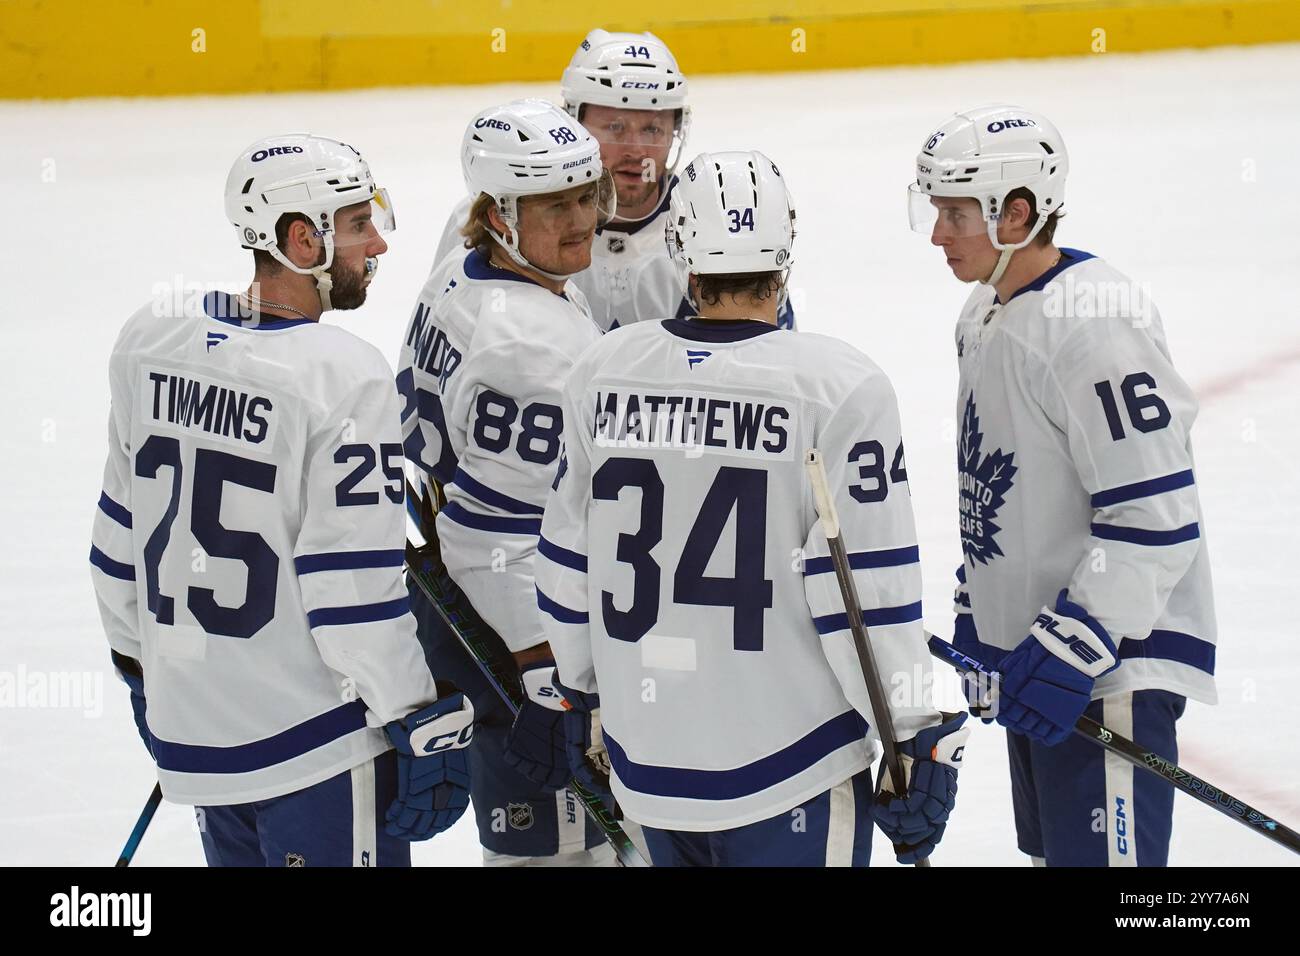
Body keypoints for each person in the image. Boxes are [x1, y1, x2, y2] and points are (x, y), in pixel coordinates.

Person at [535, 150, 967, 866]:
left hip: (648, 766)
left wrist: (581, 699)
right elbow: (864, 597)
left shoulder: (602, 369)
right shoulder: (839, 386)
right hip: (793, 768)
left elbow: (565, 570)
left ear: (681, 247)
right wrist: (914, 736)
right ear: (786, 248)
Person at [89, 134, 473, 867]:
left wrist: (148, 680)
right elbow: (350, 593)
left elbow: (115, 546)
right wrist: (416, 714)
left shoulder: (151, 339)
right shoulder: (343, 377)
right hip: (317, 751)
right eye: (359, 224)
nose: (380, 244)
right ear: (304, 240)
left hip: (200, 741)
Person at [910, 105, 1218, 866]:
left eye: (953, 212)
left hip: (1109, 667)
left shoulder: (1095, 324)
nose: (936, 233)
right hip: (1043, 659)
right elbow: (1005, 485)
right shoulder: (984, 312)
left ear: (1015, 213)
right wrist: (983, 609)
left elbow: (1155, 513)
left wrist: (1074, 644)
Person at [397, 99, 618, 866]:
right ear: (498, 214)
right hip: (511, 624)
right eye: (555, 204)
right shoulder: (530, 349)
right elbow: (491, 537)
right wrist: (543, 670)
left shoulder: (460, 255)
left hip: (451, 591)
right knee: (555, 850)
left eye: (586, 195)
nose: (582, 218)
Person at [431, 29, 795, 332]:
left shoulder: (723, 227)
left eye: (653, 128)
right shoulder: (494, 218)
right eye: (615, 127)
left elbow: (764, 364)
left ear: (675, 131)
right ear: (574, 124)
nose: (636, 150)